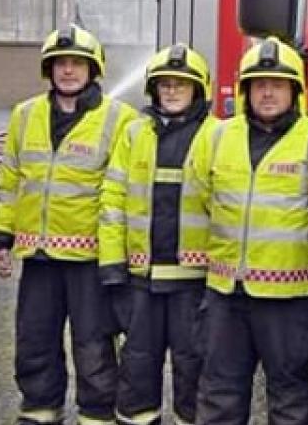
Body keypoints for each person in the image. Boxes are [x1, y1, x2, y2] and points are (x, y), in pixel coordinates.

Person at [0, 24, 137, 425]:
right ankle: (40, 408)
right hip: (38, 256)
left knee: (94, 342)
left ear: (93, 69)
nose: (68, 71)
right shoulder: (25, 115)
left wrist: (122, 254)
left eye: (77, 64)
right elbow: (12, 184)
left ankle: (97, 413)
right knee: (34, 339)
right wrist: (0, 238)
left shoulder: (120, 119)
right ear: (48, 70)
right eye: (60, 64)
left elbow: (125, 192)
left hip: (91, 258)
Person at [186, 37, 308, 425]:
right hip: (226, 295)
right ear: (245, 90)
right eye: (258, 83)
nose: (267, 92)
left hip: (292, 299)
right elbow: (198, 200)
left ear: (295, 91)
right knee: (218, 394)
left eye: (277, 84)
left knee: (291, 398)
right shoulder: (215, 136)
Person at [98, 44, 215, 425]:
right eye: (164, 84)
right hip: (141, 281)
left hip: (194, 282)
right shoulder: (134, 134)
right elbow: (113, 200)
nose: (171, 91)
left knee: (194, 369)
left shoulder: (218, 135)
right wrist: (113, 265)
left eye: (180, 84)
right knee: (136, 370)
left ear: (198, 90)